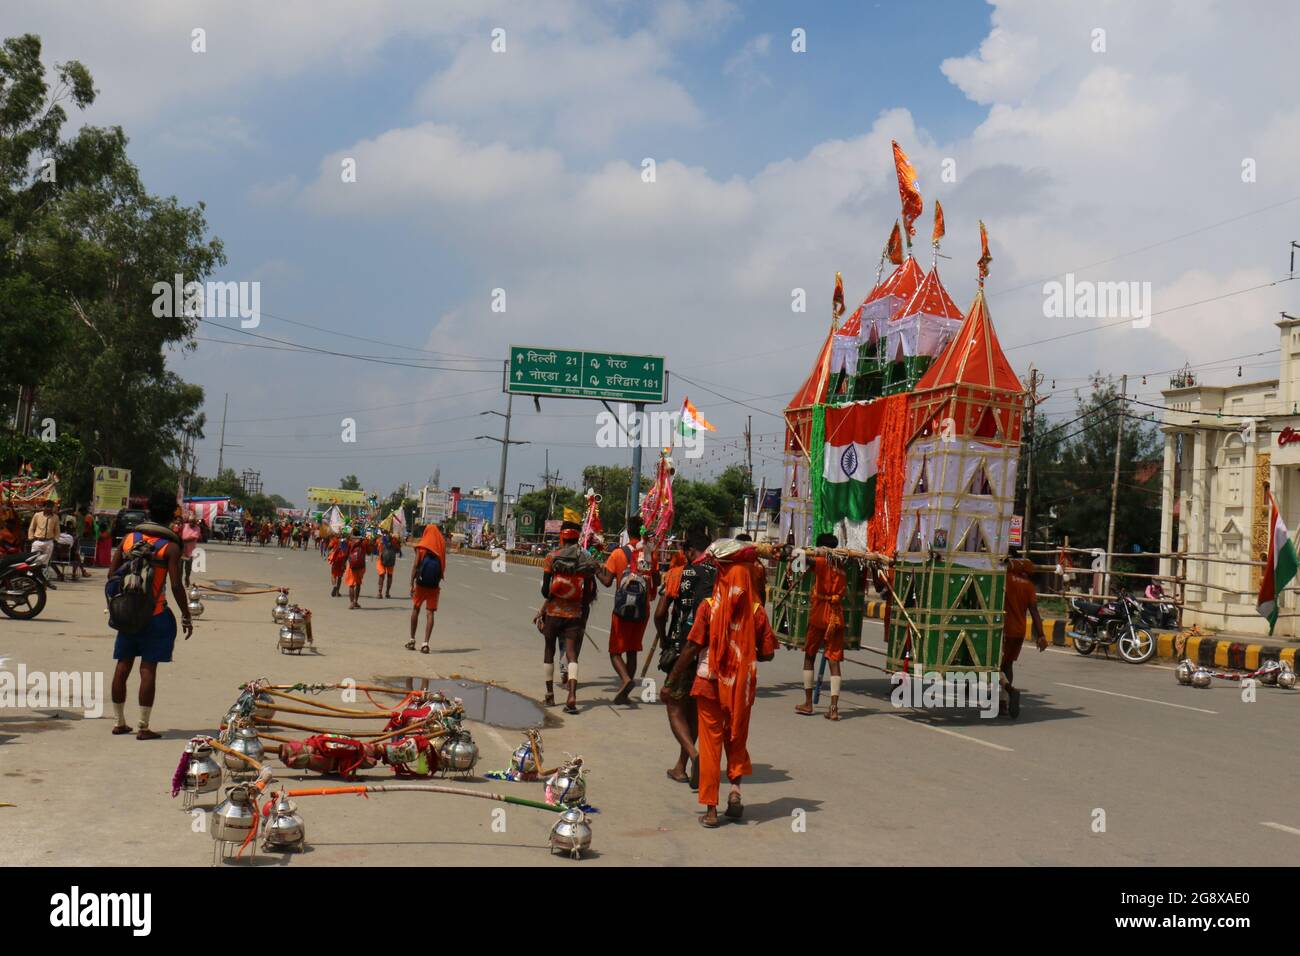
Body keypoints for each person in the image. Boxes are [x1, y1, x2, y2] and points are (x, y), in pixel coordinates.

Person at [664, 539, 777, 827]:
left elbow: (690, 648)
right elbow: (767, 654)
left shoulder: (709, 607)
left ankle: (712, 810)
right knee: (736, 736)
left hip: (709, 683)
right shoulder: (756, 611)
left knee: (711, 743)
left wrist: (672, 680)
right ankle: (736, 793)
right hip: (741, 687)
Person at [108, 490, 194, 740]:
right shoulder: (170, 546)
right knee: (148, 669)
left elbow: (111, 574)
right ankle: (143, 727)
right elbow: (177, 585)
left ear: (148, 511)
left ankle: (118, 722)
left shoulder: (129, 538)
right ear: (170, 516)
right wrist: (186, 615)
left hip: (127, 614)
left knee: (122, 665)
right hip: (155, 614)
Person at [652, 528, 714, 786]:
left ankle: (693, 754)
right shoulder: (719, 574)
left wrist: (664, 638)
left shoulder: (679, 574)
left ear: (690, 552)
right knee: (692, 709)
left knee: (674, 705)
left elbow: (660, 613)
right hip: (708, 652)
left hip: (683, 648)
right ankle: (681, 767)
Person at [595, 517, 658, 705]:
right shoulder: (649, 553)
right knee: (632, 650)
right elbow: (657, 581)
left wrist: (596, 569)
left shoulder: (618, 554)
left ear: (627, 532)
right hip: (642, 609)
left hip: (622, 610)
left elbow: (607, 581)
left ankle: (625, 679)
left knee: (615, 651)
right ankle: (626, 692)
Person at [541, 522, 602, 713]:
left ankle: (550, 696)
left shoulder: (552, 557)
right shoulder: (586, 557)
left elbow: (545, 590)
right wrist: (581, 606)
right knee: (571, 653)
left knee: (549, 650)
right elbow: (591, 589)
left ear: (562, 537)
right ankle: (572, 695)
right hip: (575, 613)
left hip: (553, 613)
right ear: (577, 538)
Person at [796, 532, 848, 721]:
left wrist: (799, 551)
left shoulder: (820, 561)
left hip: (820, 614)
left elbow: (800, 563)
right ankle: (833, 709)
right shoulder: (842, 566)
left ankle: (808, 703)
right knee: (834, 661)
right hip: (836, 615)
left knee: (810, 656)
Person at [1001, 556, 1046, 717]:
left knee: (995, 666)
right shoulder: (1029, 587)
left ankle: (1007, 694)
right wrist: (1041, 635)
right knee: (1008, 665)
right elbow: (1034, 611)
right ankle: (1003, 703)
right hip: (1019, 632)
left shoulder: (1005, 579)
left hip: (1003, 630)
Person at [408, 523, 447, 653]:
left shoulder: (422, 546)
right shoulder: (440, 545)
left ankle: (412, 640)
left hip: (421, 584)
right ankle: (425, 643)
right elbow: (442, 565)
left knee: (416, 609)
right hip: (433, 585)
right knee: (430, 613)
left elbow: (415, 565)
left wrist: (411, 582)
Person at [27, 498, 59, 588]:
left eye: (51, 507)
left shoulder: (55, 517)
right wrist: (31, 538)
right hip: (37, 541)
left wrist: (55, 540)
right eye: (47, 506)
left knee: (44, 563)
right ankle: (30, 580)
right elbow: (31, 527)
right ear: (44, 507)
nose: (49, 508)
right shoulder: (37, 515)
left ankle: (42, 581)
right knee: (33, 561)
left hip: (49, 542)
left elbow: (57, 530)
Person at [173, 511, 201, 588]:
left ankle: (187, 578)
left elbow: (192, 538)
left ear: (195, 522)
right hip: (181, 551)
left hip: (190, 552)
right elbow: (177, 530)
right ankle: (179, 583)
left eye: (193, 522)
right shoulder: (184, 525)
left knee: (188, 569)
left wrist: (180, 540)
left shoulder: (197, 529)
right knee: (180, 568)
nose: (191, 523)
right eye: (190, 521)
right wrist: (177, 525)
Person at [377, 532, 399, 598]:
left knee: (381, 575)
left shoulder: (381, 539)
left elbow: (377, 548)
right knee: (389, 575)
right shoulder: (395, 540)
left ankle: (379, 593)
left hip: (381, 559)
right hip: (391, 560)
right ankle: (387, 592)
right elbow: (398, 550)